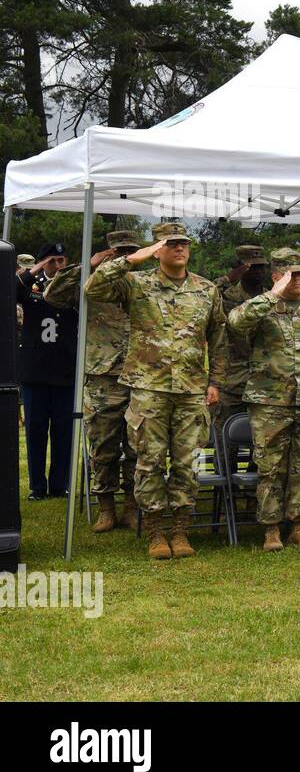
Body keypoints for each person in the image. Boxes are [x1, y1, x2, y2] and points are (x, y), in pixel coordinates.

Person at [84, 222, 226, 560]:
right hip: (148, 388)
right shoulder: (137, 284)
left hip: (191, 389)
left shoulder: (206, 290)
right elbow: (93, 288)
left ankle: (180, 530)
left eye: (184, 243)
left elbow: (219, 338)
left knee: (187, 463)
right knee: (148, 462)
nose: (179, 248)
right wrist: (132, 259)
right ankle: (155, 532)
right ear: (157, 249)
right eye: (171, 243)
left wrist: (215, 382)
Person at [228, 248, 300, 551]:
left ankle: (298, 526)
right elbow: (235, 322)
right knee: (271, 467)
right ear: (276, 276)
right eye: (291, 274)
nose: (298, 280)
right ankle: (271, 529)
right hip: (269, 403)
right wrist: (271, 295)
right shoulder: (262, 307)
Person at [44, 231, 140, 529]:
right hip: (102, 377)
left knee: (138, 447)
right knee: (104, 446)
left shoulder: (143, 284)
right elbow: (52, 295)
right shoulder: (87, 284)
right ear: (108, 253)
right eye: (119, 251)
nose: (125, 256)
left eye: (130, 251)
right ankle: (106, 507)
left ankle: (133, 505)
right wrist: (88, 264)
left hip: (139, 375)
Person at [16, 242, 76, 501]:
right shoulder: (30, 283)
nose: (58, 265)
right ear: (43, 261)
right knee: (36, 429)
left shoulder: (71, 284)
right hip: (35, 369)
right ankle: (37, 486)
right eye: (53, 260)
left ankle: (59, 484)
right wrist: (36, 268)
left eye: (62, 260)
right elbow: (10, 292)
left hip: (64, 367)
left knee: (64, 431)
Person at [216, 245, 269, 436]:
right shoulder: (225, 296)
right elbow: (200, 295)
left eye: (261, 267)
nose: (258, 272)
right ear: (239, 268)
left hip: (265, 383)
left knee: (262, 443)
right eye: (252, 267)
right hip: (232, 380)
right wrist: (229, 278)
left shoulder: (272, 298)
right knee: (224, 441)